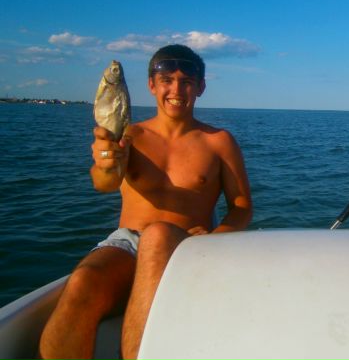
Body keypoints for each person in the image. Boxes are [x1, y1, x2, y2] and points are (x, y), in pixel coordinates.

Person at [38, 44, 253, 360]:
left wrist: (214, 238)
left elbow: (242, 207)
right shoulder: (130, 136)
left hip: (184, 246)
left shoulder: (219, 142)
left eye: (186, 81)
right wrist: (105, 162)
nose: (176, 90)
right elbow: (105, 183)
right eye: (167, 80)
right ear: (152, 85)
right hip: (126, 244)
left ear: (200, 87)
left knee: (158, 235)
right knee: (83, 281)